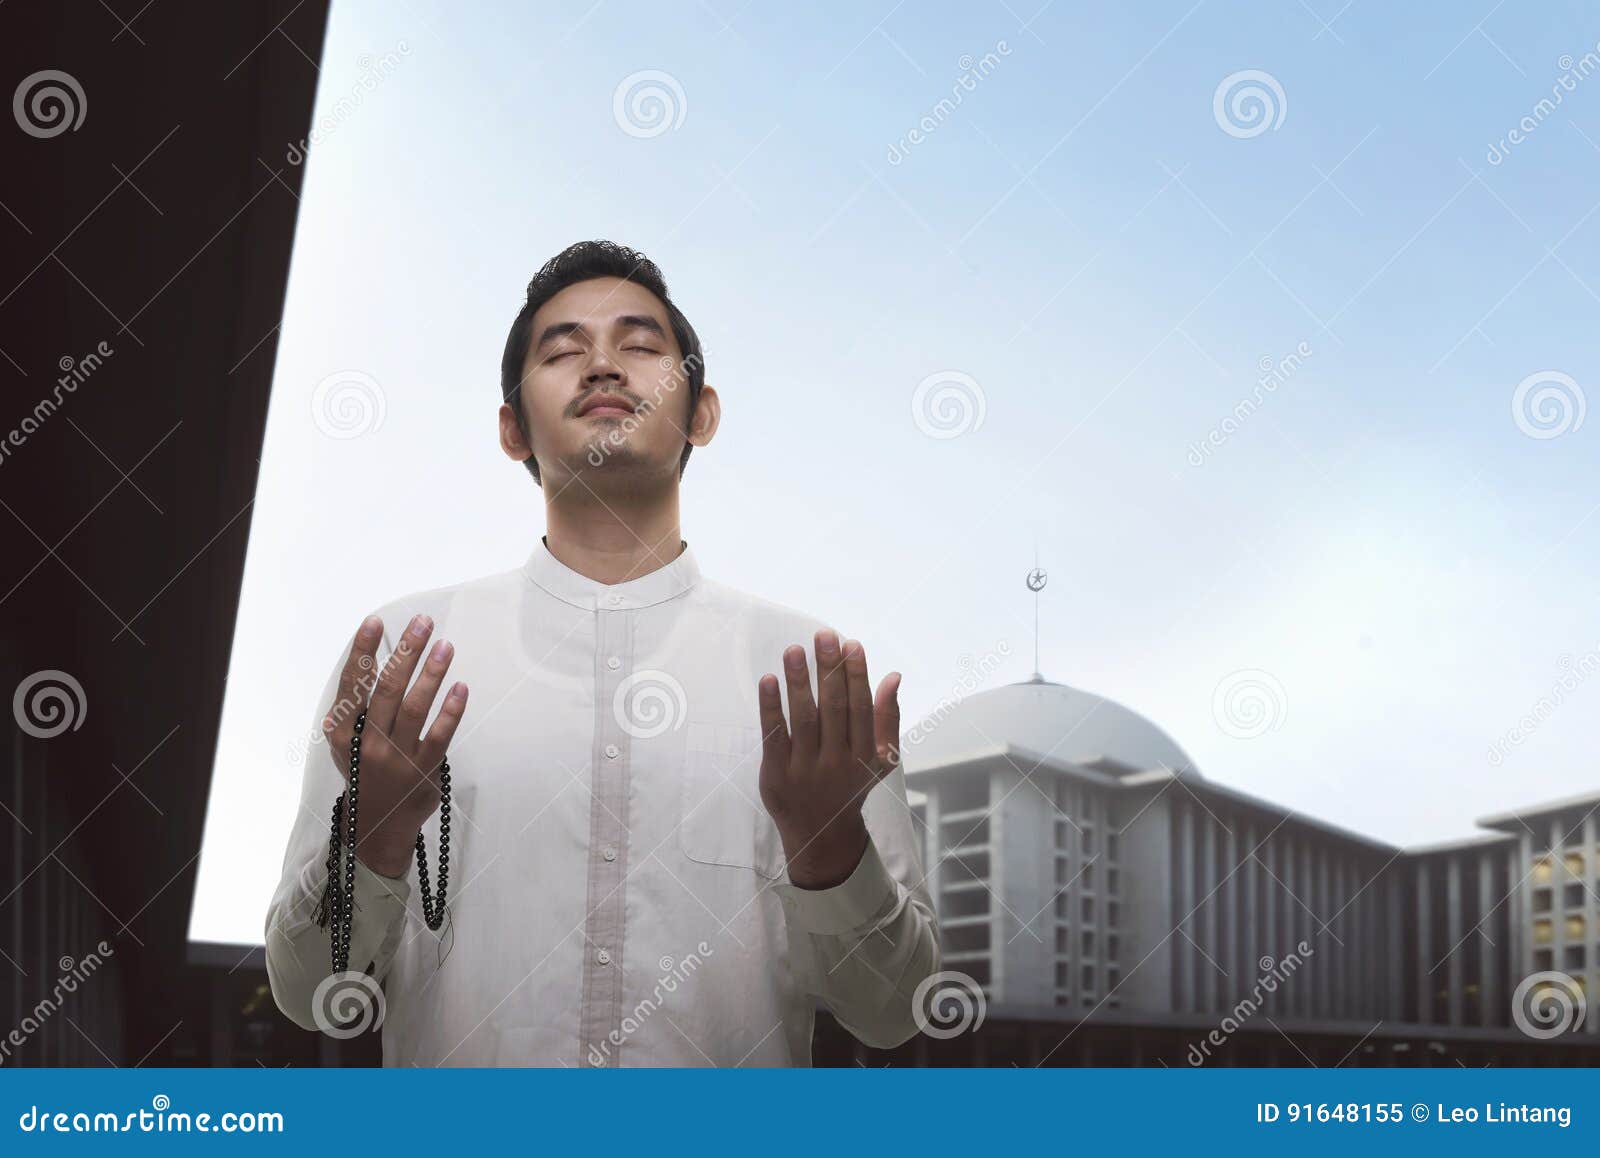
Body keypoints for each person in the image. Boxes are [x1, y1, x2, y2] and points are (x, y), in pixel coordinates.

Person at [264, 240, 940, 1066]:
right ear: (512, 428)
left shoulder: (811, 674)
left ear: (703, 413)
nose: (604, 367)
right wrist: (374, 831)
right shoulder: (405, 663)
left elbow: (896, 1009)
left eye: (642, 346)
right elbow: (308, 994)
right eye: (562, 351)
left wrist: (827, 846)